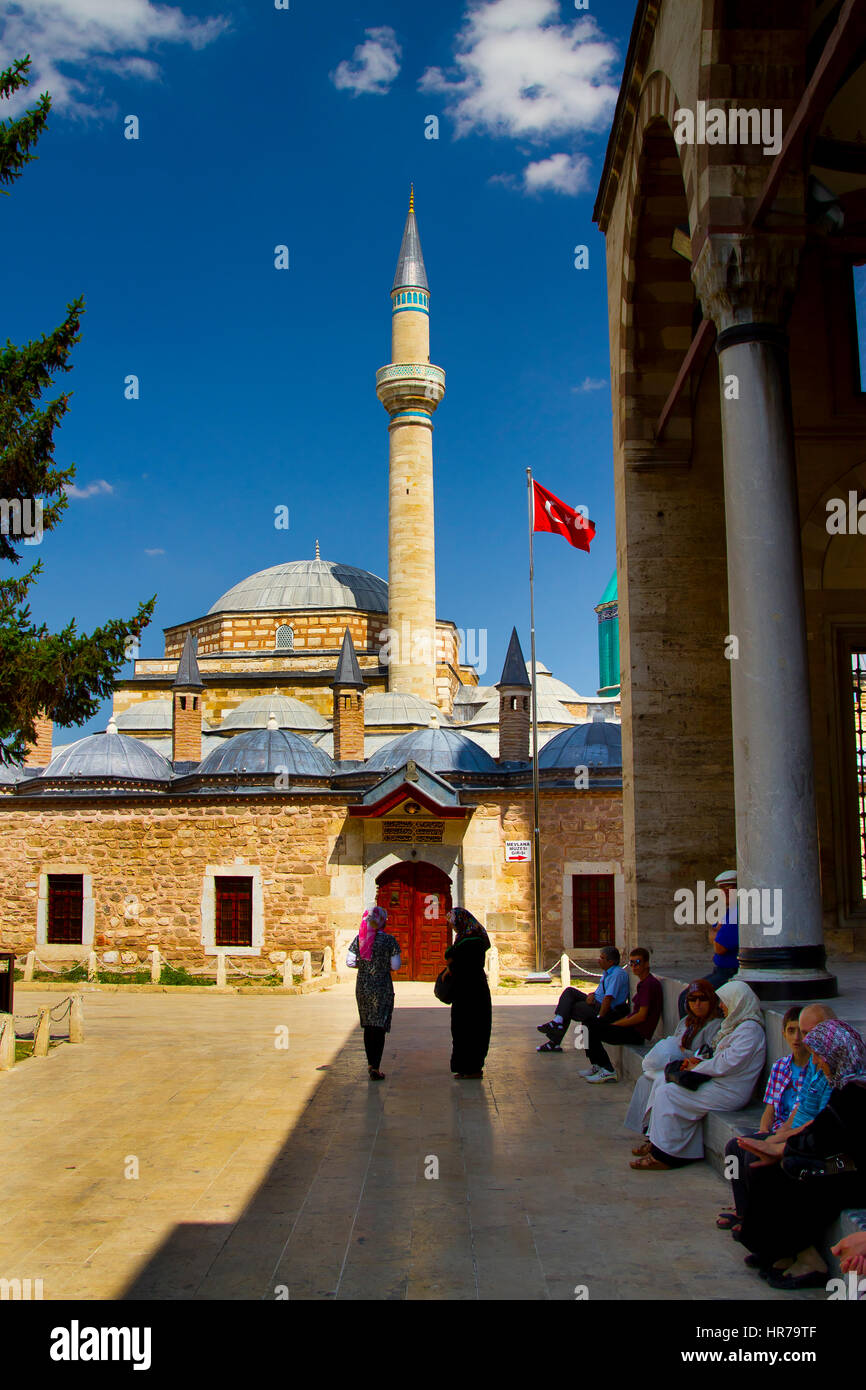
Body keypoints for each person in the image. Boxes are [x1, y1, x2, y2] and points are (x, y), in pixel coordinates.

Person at [734, 1019, 866, 1289]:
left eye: (819, 1056)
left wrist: (782, 1150)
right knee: (773, 1165)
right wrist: (779, 1146)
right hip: (846, 1163)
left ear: (836, 1053)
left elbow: (825, 1138)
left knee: (796, 1170)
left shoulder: (858, 1091)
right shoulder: (846, 1085)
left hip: (855, 1171)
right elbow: (818, 1129)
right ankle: (779, 1249)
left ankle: (810, 1260)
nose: (817, 1063)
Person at [716, 1003, 835, 1231]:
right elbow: (773, 1109)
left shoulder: (824, 1065)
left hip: (800, 1137)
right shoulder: (782, 1066)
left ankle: (754, 1223)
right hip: (782, 1130)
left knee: (754, 1159)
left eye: (806, 1032)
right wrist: (766, 1132)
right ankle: (741, 1209)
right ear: (784, 1034)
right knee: (733, 1149)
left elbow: (818, 1119)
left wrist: (781, 1137)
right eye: (793, 1031)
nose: (800, 1038)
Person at [630, 979, 766, 1170]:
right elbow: (719, 1058)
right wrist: (697, 1062)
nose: (721, 1006)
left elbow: (725, 1063)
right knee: (664, 1085)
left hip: (730, 1091)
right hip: (720, 1083)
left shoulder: (750, 1031)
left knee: (668, 1094)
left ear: (737, 1001)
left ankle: (665, 1156)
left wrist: (695, 1068)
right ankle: (663, 1146)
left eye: (725, 1001)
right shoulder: (738, 1027)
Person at [625, 979, 724, 1139]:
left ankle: (657, 1137)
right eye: (693, 1000)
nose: (697, 1004)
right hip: (676, 1065)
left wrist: (686, 1053)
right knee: (646, 1080)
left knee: (661, 1083)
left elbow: (708, 1055)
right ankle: (646, 1129)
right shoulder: (686, 1021)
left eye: (702, 999)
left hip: (695, 1072)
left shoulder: (716, 1025)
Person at [579, 947, 664, 1084]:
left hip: (637, 1034)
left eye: (638, 962)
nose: (634, 966)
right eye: (631, 963)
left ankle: (607, 1070)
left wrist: (615, 1024)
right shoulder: (643, 983)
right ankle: (597, 1064)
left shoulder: (649, 985)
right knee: (588, 1021)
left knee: (592, 1027)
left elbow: (641, 1016)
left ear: (646, 964)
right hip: (632, 1028)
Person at [536, 945, 628, 1052]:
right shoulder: (608, 972)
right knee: (569, 992)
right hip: (595, 1000)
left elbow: (608, 998)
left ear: (611, 961)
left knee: (570, 1007)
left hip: (603, 1009)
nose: (599, 960)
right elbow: (602, 991)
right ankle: (558, 1022)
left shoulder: (617, 974)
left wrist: (600, 1019)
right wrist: (592, 995)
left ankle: (555, 1037)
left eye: (602, 958)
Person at [346, 906, 401, 1080]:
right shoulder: (389, 940)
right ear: (383, 921)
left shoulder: (360, 939)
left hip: (363, 987)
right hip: (382, 987)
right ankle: (376, 1066)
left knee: (368, 1025)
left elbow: (349, 962)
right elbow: (396, 965)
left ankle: (370, 1063)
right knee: (379, 1025)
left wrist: (363, 966)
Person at [677, 868, 739, 1017]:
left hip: (730, 972)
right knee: (686, 997)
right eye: (722, 889)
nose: (724, 893)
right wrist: (715, 934)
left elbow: (719, 947)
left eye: (729, 888)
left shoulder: (738, 912)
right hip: (720, 970)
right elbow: (711, 935)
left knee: (688, 998)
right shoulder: (729, 911)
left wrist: (716, 934)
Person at [443, 907, 491, 1079]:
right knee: (462, 1028)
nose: (452, 927)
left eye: (452, 922)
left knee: (471, 1028)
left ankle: (472, 1067)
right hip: (469, 989)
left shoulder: (471, 940)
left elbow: (460, 961)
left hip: (470, 990)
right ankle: (464, 1067)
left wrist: (451, 962)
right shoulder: (467, 936)